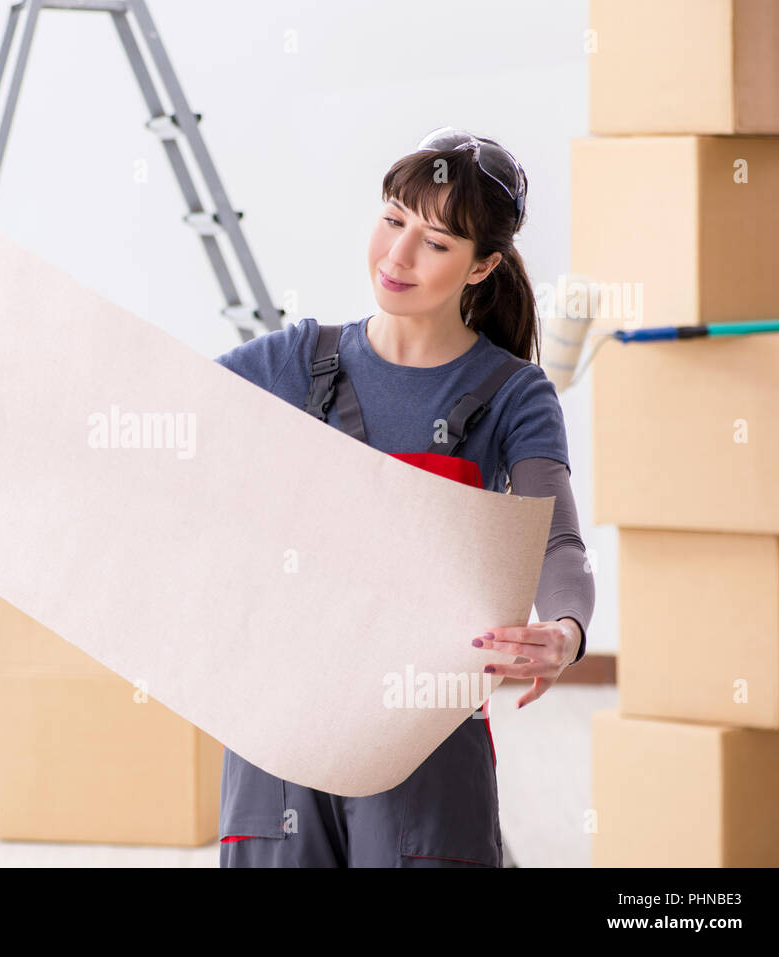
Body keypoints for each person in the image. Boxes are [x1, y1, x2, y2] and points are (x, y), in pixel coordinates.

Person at [213, 128, 595, 867]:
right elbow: (157, 411)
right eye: (393, 220)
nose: (398, 256)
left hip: (421, 730)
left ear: (483, 264)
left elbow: (554, 538)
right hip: (282, 723)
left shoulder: (512, 394)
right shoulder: (295, 361)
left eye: (437, 242)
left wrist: (567, 631)